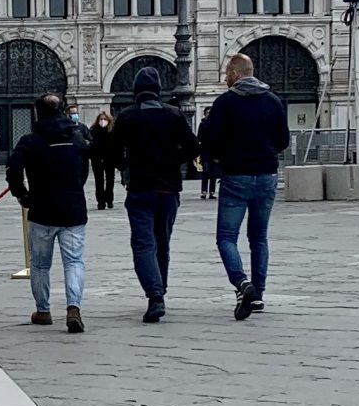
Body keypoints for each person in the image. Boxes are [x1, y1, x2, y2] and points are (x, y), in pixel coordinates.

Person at [198, 53, 292, 320]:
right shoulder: (273, 101)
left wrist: (221, 154)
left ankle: (242, 284)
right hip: (266, 175)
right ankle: (258, 295)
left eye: (227, 72)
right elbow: (283, 140)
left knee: (226, 237)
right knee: (258, 238)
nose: (225, 77)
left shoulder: (226, 103)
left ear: (236, 74)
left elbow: (211, 140)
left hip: (236, 175)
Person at [109, 68, 200, 322]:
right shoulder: (173, 115)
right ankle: (161, 288)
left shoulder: (127, 117)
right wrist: (174, 161)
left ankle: (155, 294)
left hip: (140, 188)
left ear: (136, 91)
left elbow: (113, 152)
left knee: (143, 244)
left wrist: (126, 166)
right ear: (159, 90)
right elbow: (194, 146)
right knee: (163, 242)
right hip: (169, 188)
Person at [6, 91, 90, 332]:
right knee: (74, 261)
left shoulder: (30, 140)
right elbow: (85, 166)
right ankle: (73, 308)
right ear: (63, 110)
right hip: (73, 209)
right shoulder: (76, 137)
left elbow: (13, 170)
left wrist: (22, 194)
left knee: (41, 264)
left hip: (42, 209)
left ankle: (43, 310)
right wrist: (75, 188)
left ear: (37, 113)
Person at [88, 111, 118, 210]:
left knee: (110, 179)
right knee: (99, 180)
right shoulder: (93, 130)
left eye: (105, 119)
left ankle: (109, 200)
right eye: (101, 119)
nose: (103, 121)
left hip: (110, 158)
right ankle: (100, 202)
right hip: (97, 158)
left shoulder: (113, 131)